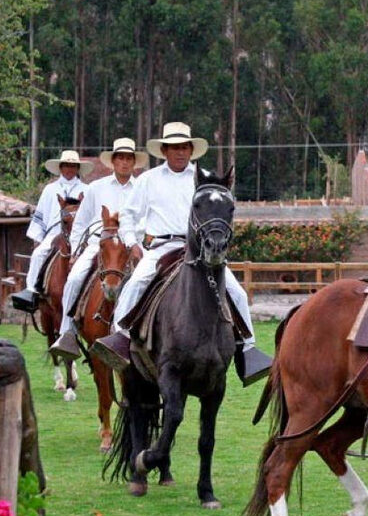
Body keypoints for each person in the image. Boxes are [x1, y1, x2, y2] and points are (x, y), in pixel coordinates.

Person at [91, 122, 272, 384]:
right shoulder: (148, 180)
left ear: (191, 150)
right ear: (164, 150)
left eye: (184, 147)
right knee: (137, 283)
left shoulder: (205, 179)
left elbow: (221, 210)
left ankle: (248, 350)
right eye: (174, 147)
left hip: (200, 251)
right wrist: (133, 244)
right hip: (161, 248)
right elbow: (129, 215)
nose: (180, 152)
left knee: (237, 292)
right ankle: (120, 338)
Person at [49, 138, 149, 360]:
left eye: (129, 158)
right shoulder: (96, 188)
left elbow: (146, 218)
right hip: (97, 243)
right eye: (120, 158)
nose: (124, 162)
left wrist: (135, 241)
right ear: (113, 161)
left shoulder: (143, 187)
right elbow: (81, 223)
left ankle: (151, 330)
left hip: (132, 244)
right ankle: (68, 333)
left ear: (134, 163)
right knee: (74, 279)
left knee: (152, 279)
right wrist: (76, 252)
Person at [11, 150, 92, 312]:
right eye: (66, 165)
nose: (69, 169)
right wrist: (38, 239)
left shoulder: (87, 189)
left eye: (73, 166)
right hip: (55, 231)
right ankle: (32, 290)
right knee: (39, 253)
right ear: (60, 168)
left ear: (78, 168)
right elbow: (41, 214)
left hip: (81, 233)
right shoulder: (50, 189)